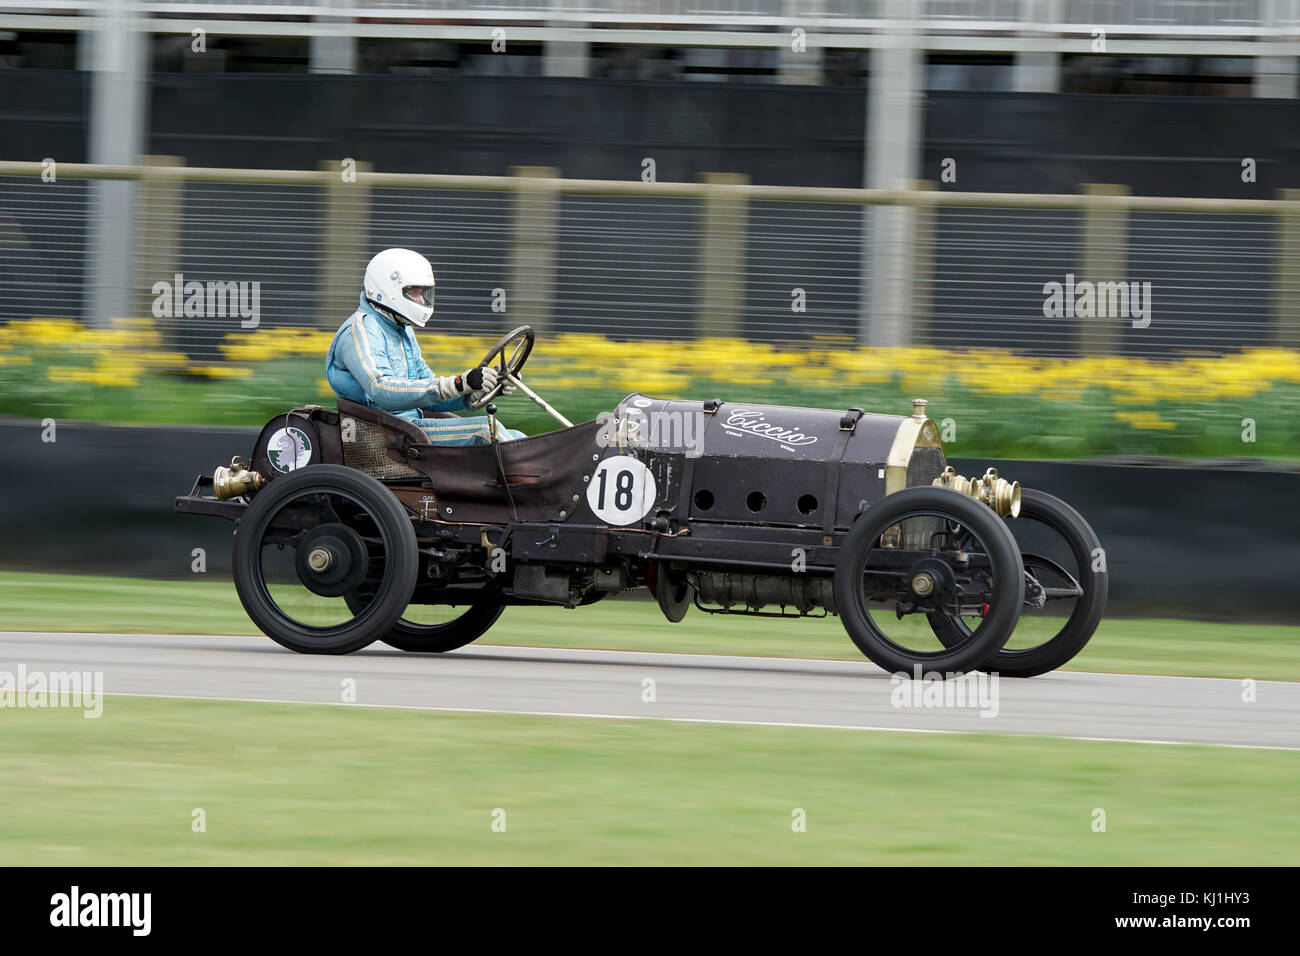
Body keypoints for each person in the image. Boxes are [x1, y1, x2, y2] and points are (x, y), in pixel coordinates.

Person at [325, 248, 525, 444]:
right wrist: (457, 383)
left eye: (423, 293)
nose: (422, 300)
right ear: (387, 289)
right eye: (415, 292)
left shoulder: (402, 330)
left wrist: (478, 389)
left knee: (516, 437)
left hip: (407, 428)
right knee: (487, 432)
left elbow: (431, 394)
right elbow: (381, 389)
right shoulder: (362, 330)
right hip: (382, 435)